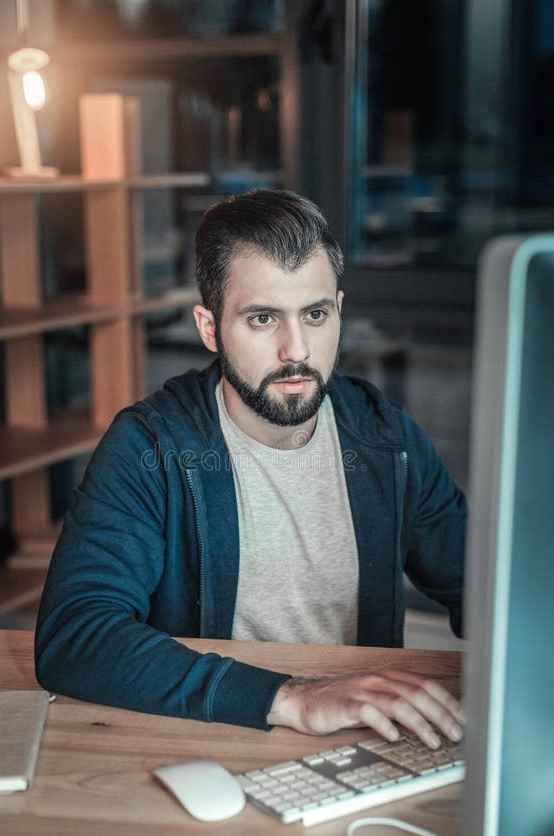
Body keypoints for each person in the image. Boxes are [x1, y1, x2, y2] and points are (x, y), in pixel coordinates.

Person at [35, 189, 466, 750]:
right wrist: (293, 698)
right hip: (210, 733)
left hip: (363, 739)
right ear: (210, 328)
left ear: (339, 309)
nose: (297, 350)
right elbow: (76, 636)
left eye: (315, 315)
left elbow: (488, 590)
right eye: (263, 318)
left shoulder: (387, 438)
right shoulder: (151, 446)